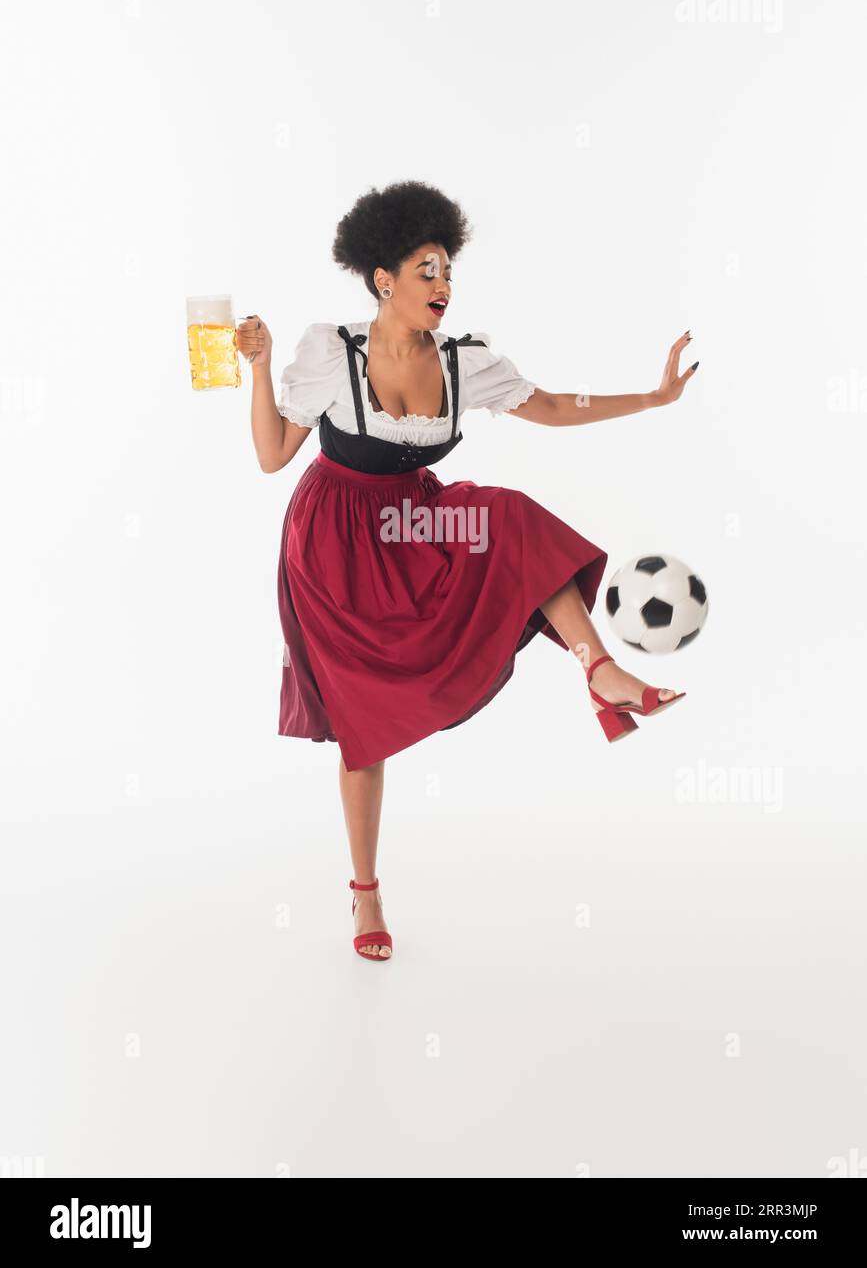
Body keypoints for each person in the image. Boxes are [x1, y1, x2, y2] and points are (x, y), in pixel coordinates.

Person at [240, 180, 699, 960]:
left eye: (448, 271)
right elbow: (272, 455)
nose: (443, 286)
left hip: (412, 522)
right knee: (364, 736)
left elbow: (552, 406)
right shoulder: (331, 352)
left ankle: (598, 669)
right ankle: (365, 893)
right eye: (427, 270)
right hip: (334, 549)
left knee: (508, 521)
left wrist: (651, 401)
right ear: (383, 279)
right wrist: (261, 366)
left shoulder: (465, 363)